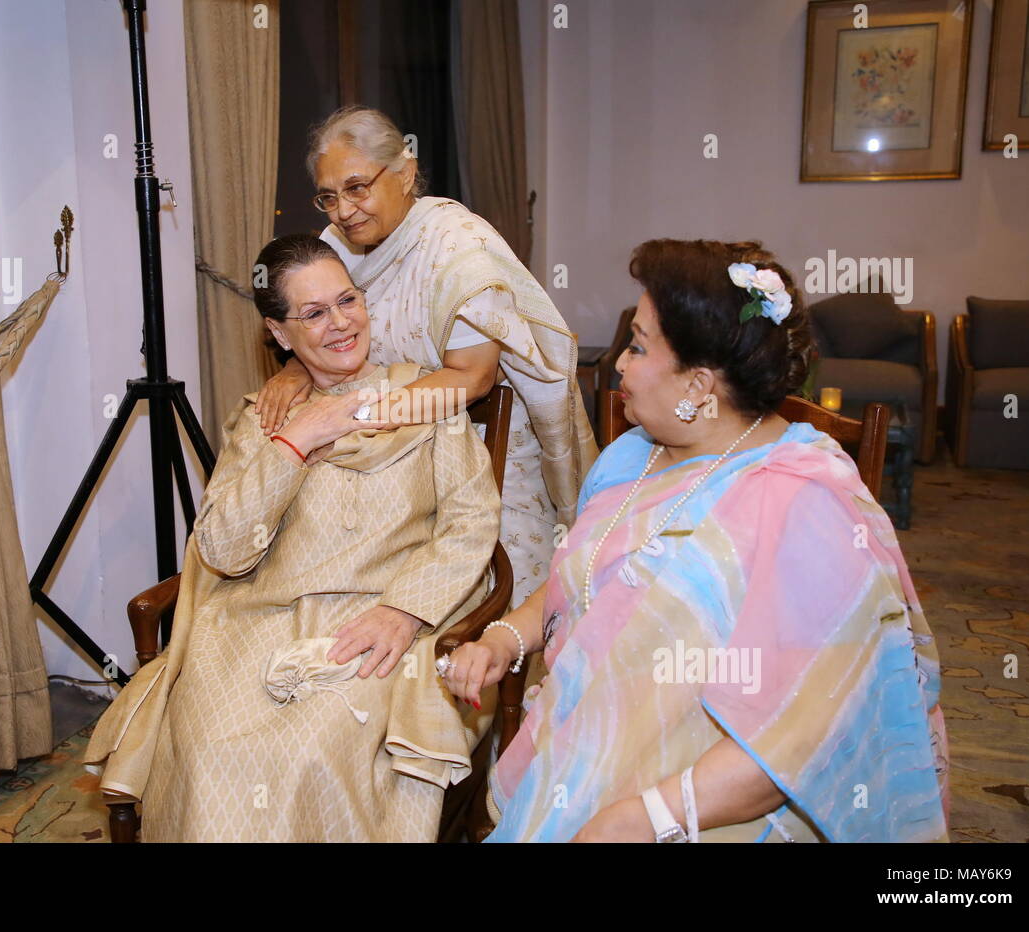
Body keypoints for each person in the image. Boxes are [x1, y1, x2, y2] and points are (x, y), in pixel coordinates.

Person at [442, 239, 950, 842]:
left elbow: (806, 731)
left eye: (637, 346)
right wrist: (503, 638)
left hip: (715, 807)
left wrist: (647, 817)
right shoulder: (631, 456)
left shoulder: (810, 507)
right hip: (580, 761)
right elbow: (579, 585)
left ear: (698, 383)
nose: (620, 366)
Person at [83, 234, 501, 841]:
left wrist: (405, 612)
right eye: (313, 313)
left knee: (308, 753)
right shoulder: (266, 420)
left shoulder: (426, 400)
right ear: (280, 335)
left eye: (347, 301)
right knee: (207, 752)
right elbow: (223, 550)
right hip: (252, 624)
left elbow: (471, 523)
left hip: (373, 625)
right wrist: (295, 442)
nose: (340, 323)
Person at [255, 106, 598, 611]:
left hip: (478, 461)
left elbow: (472, 378)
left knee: (462, 611)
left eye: (357, 188)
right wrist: (293, 370)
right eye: (329, 196)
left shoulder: (459, 246)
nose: (343, 211)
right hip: (374, 465)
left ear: (405, 173)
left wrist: (353, 417)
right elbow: (314, 331)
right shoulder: (334, 246)